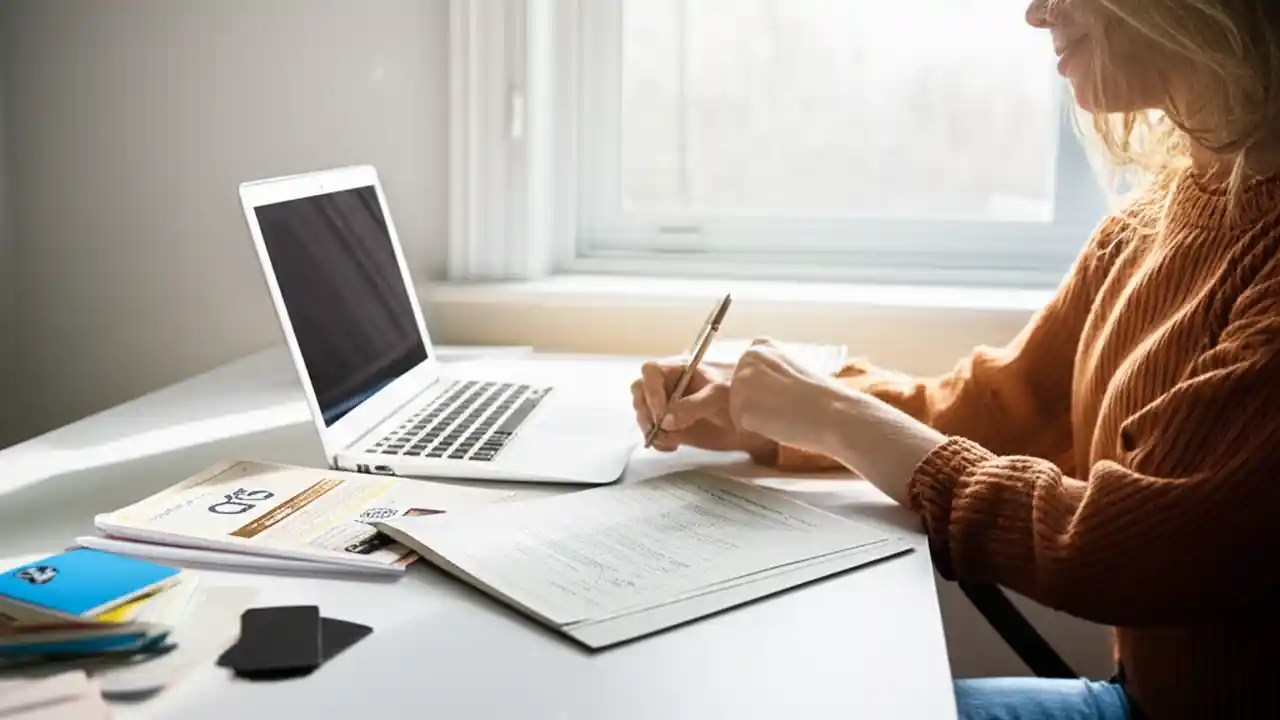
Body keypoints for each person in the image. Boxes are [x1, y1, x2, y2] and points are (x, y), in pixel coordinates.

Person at [631, 1, 1280, 718]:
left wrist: (840, 419)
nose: (1037, 14)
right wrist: (776, 419)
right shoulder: (1163, 208)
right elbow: (1005, 409)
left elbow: (1126, 550)